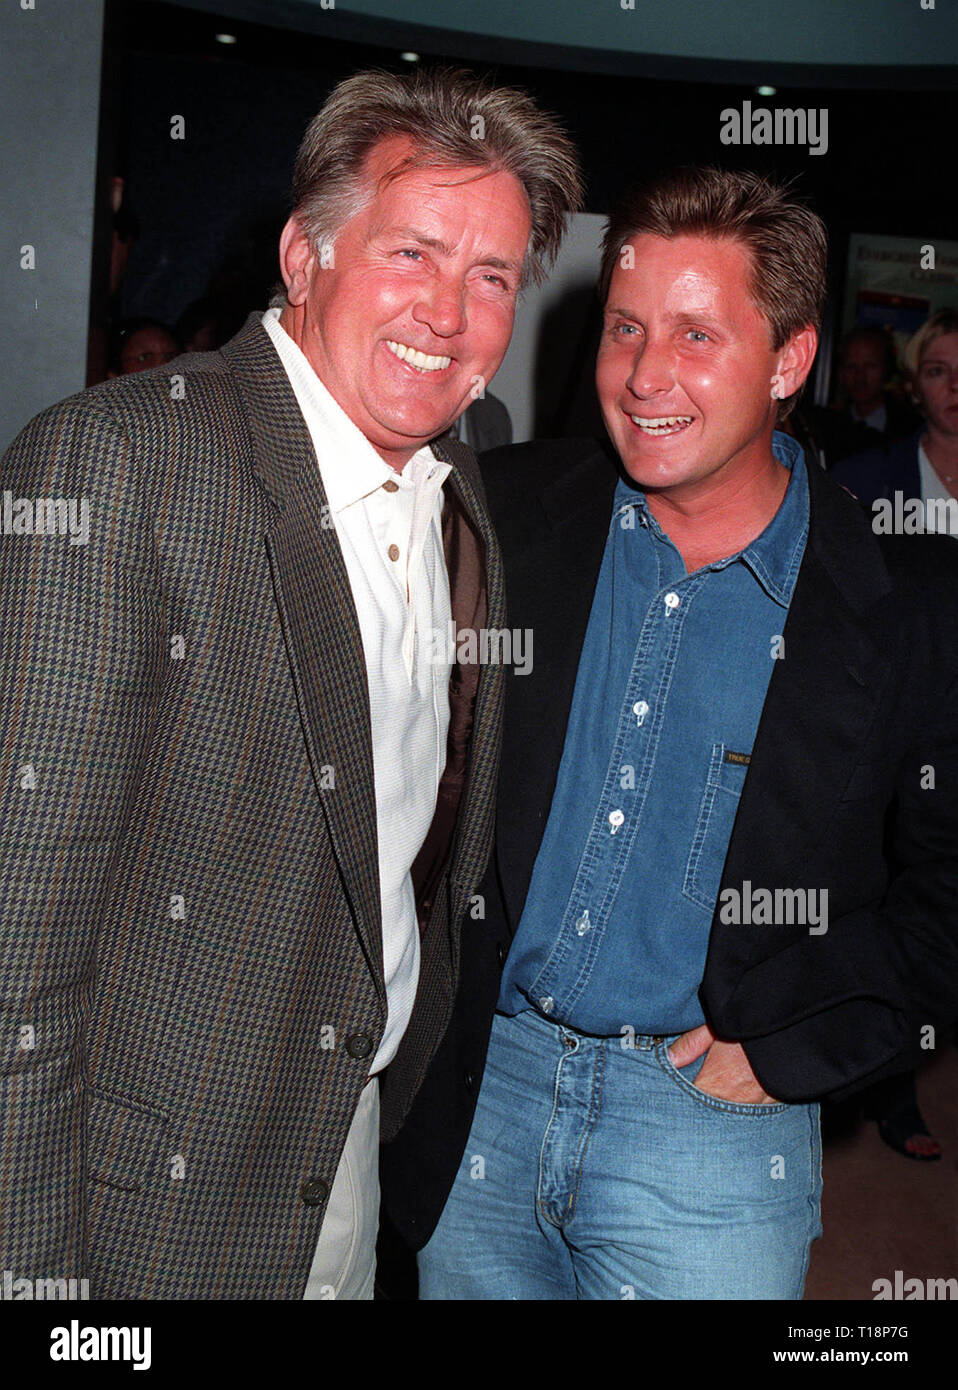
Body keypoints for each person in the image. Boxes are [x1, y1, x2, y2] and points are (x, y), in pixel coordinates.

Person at [0, 65, 581, 1299]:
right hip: (141, 1207)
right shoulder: (118, 466)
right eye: (413, 253)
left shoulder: (460, 490)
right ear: (303, 257)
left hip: (347, 1142)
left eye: (491, 278)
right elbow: (15, 955)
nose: (450, 312)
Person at [392, 167, 958, 1299]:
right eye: (625, 329)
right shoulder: (495, 514)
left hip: (707, 1126)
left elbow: (946, 888)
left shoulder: (910, 603)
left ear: (790, 360)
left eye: (697, 335)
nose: (646, 376)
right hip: (481, 1088)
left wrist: (799, 1043)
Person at [832, 307, 958, 1161]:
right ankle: (893, 1087)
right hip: (896, 731)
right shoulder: (868, 476)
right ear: (919, 385)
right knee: (894, 895)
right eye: (944, 370)